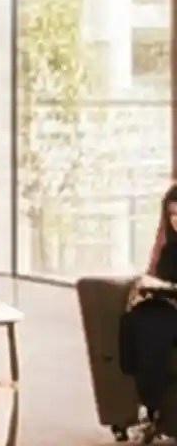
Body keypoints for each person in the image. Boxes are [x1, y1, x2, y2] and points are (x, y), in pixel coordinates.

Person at [122, 185, 177, 439]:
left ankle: (156, 412)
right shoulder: (170, 251)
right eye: (173, 215)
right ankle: (152, 406)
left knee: (154, 326)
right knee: (139, 320)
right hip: (171, 308)